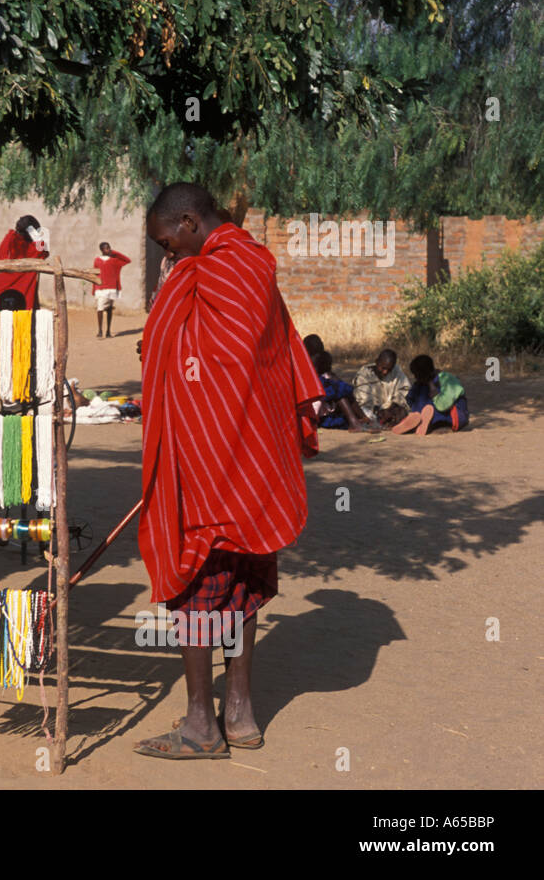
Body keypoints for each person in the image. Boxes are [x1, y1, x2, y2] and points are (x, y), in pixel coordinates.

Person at [135, 183, 322, 760]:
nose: (170, 257)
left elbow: (162, 351)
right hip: (256, 469)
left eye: (169, 244)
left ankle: (200, 727)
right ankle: (239, 713)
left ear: (189, 222)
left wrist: (170, 293)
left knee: (195, 586)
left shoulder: (202, 274)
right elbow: (275, 359)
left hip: (206, 466)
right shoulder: (256, 265)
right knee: (242, 585)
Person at [392, 354, 470, 434]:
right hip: (426, 412)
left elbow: (443, 406)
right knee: (420, 394)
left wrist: (433, 389)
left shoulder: (447, 379)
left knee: (429, 407)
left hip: (454, 416)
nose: (416, 378)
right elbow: (410, 401)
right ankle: (418, 421)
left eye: (417, 375)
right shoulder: (420, 384)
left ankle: (423, 424)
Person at [0, 215, 49, 310]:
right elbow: (43, 250)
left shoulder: (8, 239)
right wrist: (32, 231)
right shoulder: (27, 248)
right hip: (19, 302)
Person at [312, 350, 377, 432]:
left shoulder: (322, 379)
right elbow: (344, 389)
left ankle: (362, 419)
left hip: (323, 414)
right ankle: (358, 421)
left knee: (341, 393)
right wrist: (335, 380)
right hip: (317, 418)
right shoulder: (319, 381)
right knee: (341, 395)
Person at [353, 349, 411, 428]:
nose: (385, 372)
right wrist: (380, 412)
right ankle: (391, 424)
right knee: (366, 414)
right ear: (376, 362)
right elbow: (364, 401)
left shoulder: (396, 371)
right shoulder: (364, 375)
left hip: (390, 409)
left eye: (389, 369)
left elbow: (404, 391)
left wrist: (391, 408)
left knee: (402, 410)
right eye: (383, 368)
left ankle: (395, 424)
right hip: (372, 411)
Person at [93, 241, 132, 338]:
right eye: (106, 248)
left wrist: (114, 253)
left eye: (109, 247)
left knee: (109, 309)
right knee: (100, 308)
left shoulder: (115, 260)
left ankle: (108, 331)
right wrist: (94, 288)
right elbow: (94, 275)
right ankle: (100, 330)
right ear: (101, 250)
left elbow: (127, 260)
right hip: (101, 288)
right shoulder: (97, 260)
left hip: (112, 288)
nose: (108, 249)